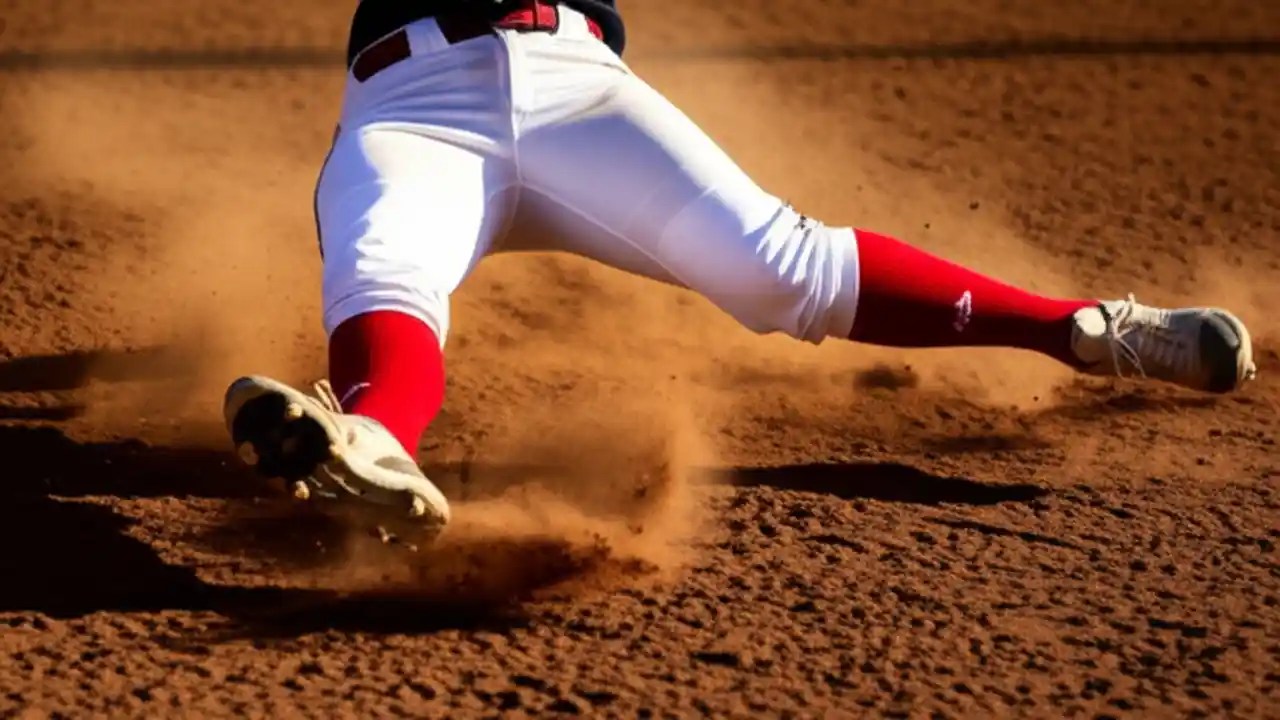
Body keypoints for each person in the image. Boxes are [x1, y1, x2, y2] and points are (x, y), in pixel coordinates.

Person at [222, 0, 1257, 538]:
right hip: (409, 108)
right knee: (386, 273)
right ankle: (370, 447)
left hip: (582, 88)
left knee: (776, 267)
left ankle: (1082, 330)